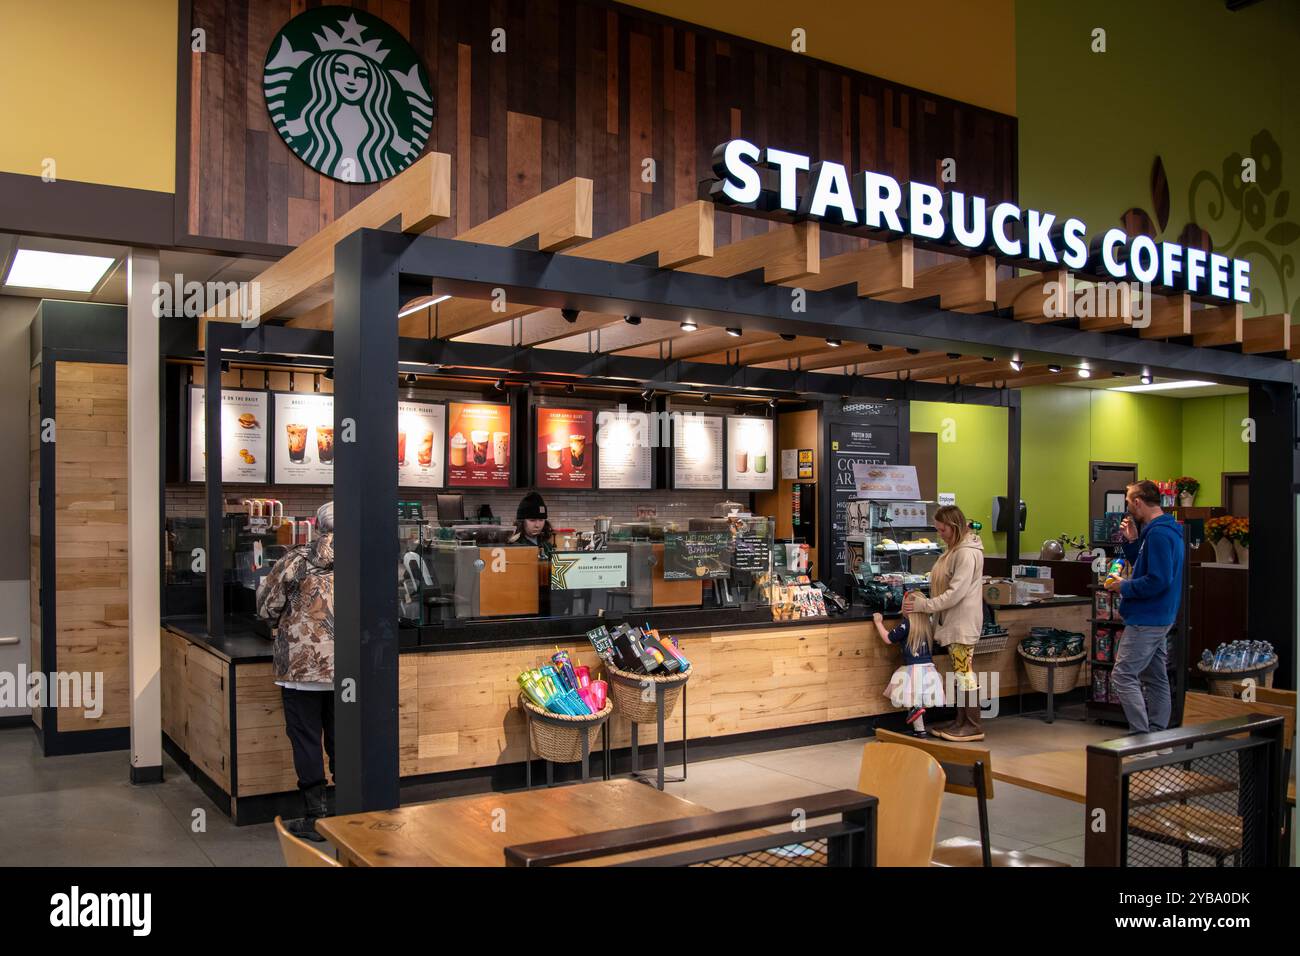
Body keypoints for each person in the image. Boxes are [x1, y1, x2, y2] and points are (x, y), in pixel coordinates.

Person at [256, 501, 336, 843]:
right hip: (348, 667)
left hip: (300, 670)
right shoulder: (366, 557)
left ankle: (316, 817)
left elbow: (265, 606)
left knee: (305, 740)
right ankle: (347, 812)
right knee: (343, 738)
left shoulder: (294, 559)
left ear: (316, 526)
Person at [1104, 480, 1183, 735]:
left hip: (1146, 619)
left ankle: (1140, 735)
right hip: (1161, 616)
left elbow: (1158, 579)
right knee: (1155, 677)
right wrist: (1133, 541)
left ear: (1138, 502)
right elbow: (1148, 565)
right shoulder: (1163, 531)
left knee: (1123, 675)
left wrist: (1124, 587)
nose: (1127, 507)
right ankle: (1158, 733)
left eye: (1128, 502)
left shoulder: (1159, 534)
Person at [902, 504, 986, 741]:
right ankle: (961, 720)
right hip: (953, 620)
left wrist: (925, 606)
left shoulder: (965, 553)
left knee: (964, 671)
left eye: (943, 530)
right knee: (961, 672)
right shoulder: (955, 549)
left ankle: (972, 724)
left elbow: (956, 593)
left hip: (961, 621)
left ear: (955, 527)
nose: (940, 534)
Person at [873, 610, 944, 737]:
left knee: (910, 698)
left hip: (912, 669)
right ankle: (919, 729)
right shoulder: (929, 622)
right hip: (928, 669)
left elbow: (888, 639)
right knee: (918, 698)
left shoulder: (906, 624)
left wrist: (878, 622)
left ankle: (918, 721)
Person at [510, 491, 555, 557]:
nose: (537, 525)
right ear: (521, 522)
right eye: (532, 520)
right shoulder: (514, 546)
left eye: (541, 520)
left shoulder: (547, 545)